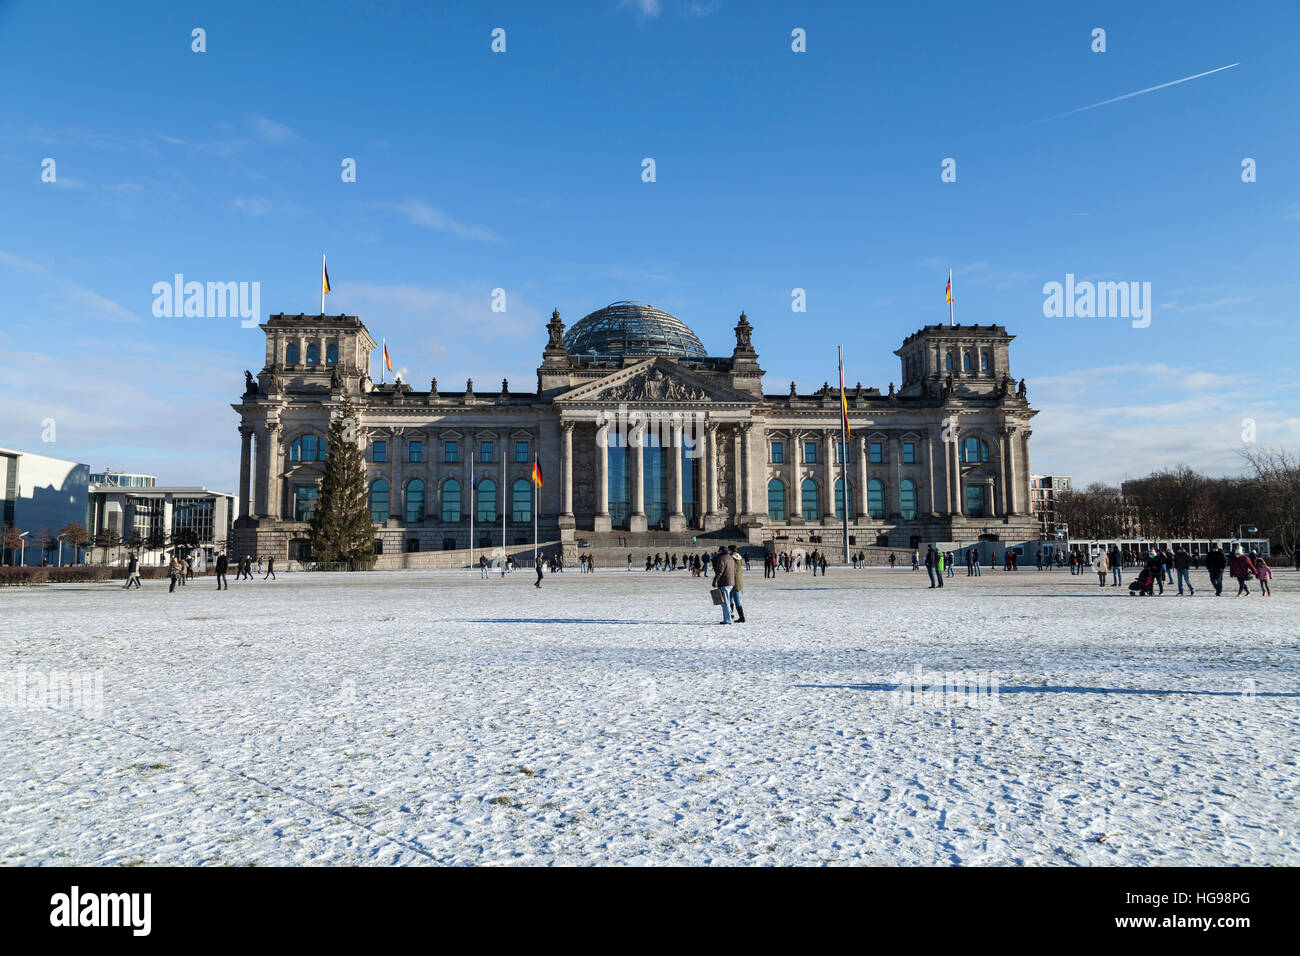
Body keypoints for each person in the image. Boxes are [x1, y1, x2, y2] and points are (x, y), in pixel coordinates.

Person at [711, 547, 736, 624]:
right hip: (731, 581)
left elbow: (720, 571)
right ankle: (730, 614)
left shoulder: (721, 558)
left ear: (721, 551)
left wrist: (715, 580)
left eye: (719, 551)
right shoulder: (730, 558)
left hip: (724, 582)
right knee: (727, 600)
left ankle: (728, 619)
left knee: (724, 602)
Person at [727, 544, 746, 623]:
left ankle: (742, 617)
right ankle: (730, 614)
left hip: (734, 581)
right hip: (738, 579)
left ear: (730, 550)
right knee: (730, 597)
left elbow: (733, 570)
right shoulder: (738, 557)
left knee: (736, 599)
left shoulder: (732, 558)